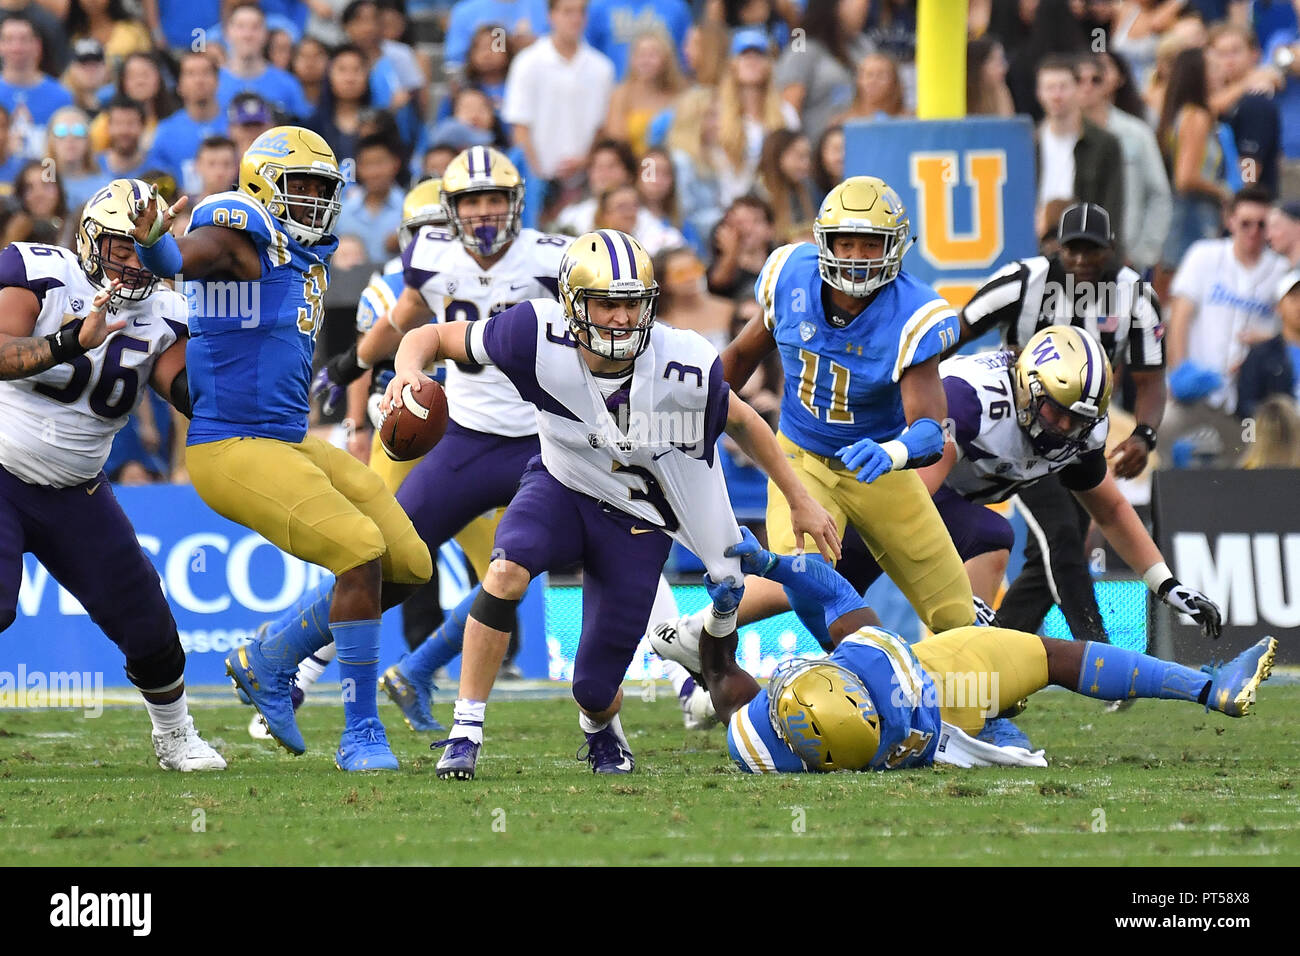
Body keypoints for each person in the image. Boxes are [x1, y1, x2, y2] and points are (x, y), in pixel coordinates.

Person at [381, 227, 840, 779]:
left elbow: (742, 420)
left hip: (637, 520)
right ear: (573, 304)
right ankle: (465, 730)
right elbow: (430, 336)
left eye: (632, 304)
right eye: (606, 303)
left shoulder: (682, 363)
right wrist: (409, 371)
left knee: (595, 689)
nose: (621, 318)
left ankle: (600, 727)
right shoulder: (532, 333)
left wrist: (799, 499)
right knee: (505, 572)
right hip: (562, 487)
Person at [125, 126, 433, 772]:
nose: (316, 201)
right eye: (302, 186)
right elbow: (186, 257)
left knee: (408, 565)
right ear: (265, 184)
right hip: (231, 446)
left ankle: (266, 658)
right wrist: (156, 242)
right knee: (360, 549)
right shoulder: (240, 233)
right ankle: (360, 731)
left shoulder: (302, 252)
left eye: (324, 189)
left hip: (286, 441)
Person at [301, 147, 570, 735]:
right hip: (465, 441)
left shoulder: (552, 258)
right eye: (471, 200)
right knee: (383, 559)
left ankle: (679, 681)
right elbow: (403, 317)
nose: (482, 212)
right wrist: (350, 364)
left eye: (493, 198)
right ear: (451, 208)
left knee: (558, 558)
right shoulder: (430, 254)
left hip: (545, 441)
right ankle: (292, 667)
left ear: (516, 202)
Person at [655, 528, 1274, 775]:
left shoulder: (775, 747)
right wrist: (770, 566)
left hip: (942, 728)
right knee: (1053, 656)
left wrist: (721, 619)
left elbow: (721, 674)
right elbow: (832, 587)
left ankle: (999, 728)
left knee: (982, 701)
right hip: (943, 679)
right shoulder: (865, 661)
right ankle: (1204, 687)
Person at [0, 179, 224, 771]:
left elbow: (189, 394)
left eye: (143, 251)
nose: (131, 265)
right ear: (93, 241)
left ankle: (174, 738)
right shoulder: (38, 270)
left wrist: (236, 368)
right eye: (121, 249)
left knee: (146, 620)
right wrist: (72, 340)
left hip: (78, 489)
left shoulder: (166, 312)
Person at [721, 175, 977, 647]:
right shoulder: (790, 277)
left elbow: (930, 429)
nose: (857, 257)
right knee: (807, 583)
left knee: (956, 615)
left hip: (879, 469)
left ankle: (987, 711)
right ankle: (875, 677)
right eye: (846, 242)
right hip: (802, 459)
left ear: (895, 247)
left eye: (869, 244)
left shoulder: (915, 312)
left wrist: (895, 453)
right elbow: (739, 357)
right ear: (824, 242)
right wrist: (693, 419)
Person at [845, 326, 1223, 644]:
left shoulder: (1081, 433)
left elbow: (1110, 510)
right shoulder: (971, 403)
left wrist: (1165, 584)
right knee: (808, 588)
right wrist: (954, 594)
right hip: (880, 485)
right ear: (1028, 388)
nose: (1062, 427)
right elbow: (909, 505)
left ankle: (960, 675)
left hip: (932, 497)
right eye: (1055, 410)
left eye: (1075, 419)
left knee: (990, 536)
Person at [955, 202, 1165, 642]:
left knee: (1049, 555)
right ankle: (1101, 655)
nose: (1082, 260)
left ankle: (1000, 662)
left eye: (1092, 250)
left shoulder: (1136, 295)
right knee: (1062, 539)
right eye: (1073, 249)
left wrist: (1144, 437)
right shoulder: (1022, 280)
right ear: (1055, 247)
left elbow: (1150, 380)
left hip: (1083, 438)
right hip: (1020, 433)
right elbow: (956, 330)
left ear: (1112, 249)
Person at [1164, 186, 1289, 462]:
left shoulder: (1280, 270)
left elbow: (1291, 327)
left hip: (1244, 404)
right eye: (1246, 223)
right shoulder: (1205, 255)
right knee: (1158, 438)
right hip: (1196, 391)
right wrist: (1179, 369)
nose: (1254, 232)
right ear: (1229, 220)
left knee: (1243, 465)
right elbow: (1180, 315)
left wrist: (1269, 338)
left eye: (1262, 224)